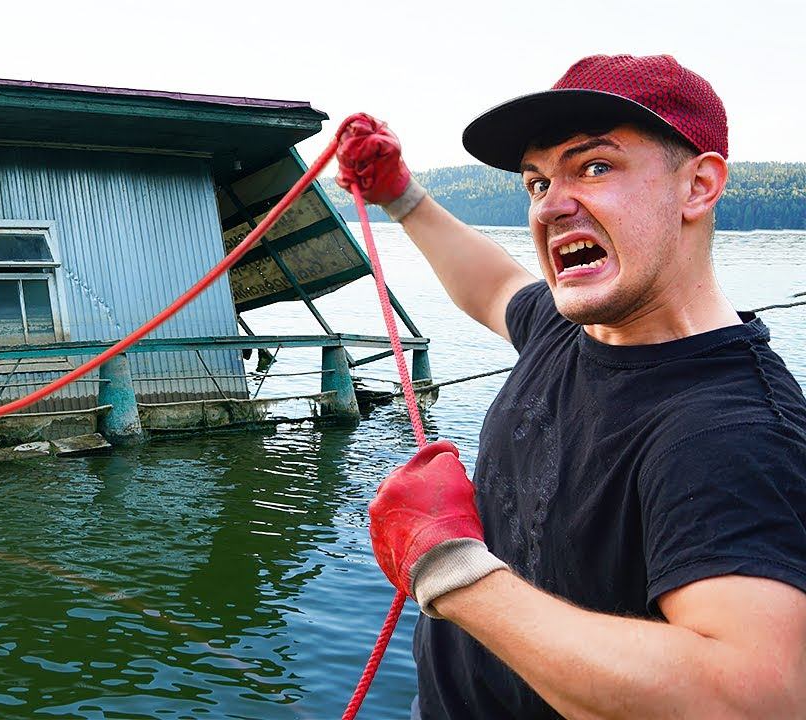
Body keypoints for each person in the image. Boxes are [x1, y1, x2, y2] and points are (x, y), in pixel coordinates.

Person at [336, 54, 806, 718]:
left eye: (595, 167)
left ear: (698, 186)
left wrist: (450, 570)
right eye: (535, 183)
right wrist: (401, 196)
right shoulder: (570, 327)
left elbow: (752, 699)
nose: (551, 206)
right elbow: (494, 285)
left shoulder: (733, 429)